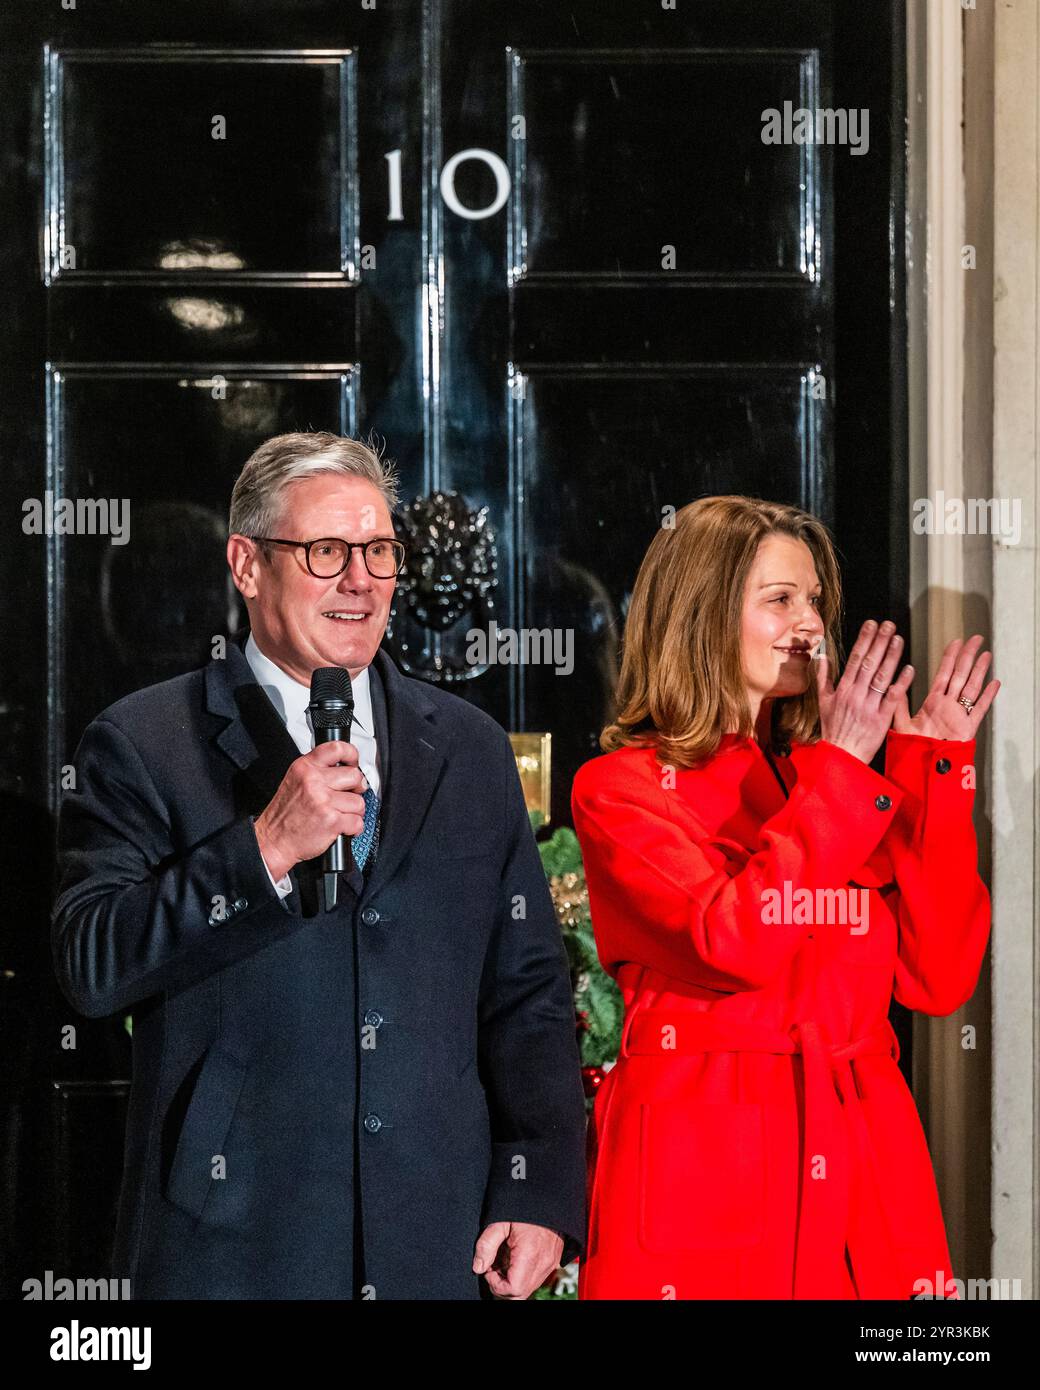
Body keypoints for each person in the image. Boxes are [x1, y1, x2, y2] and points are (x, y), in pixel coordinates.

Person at [51, 431, 587, 1300]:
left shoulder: (468, 748)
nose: (362, 579)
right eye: (327, 551)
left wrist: (536, 1189)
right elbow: (93, 964)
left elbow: (526, 990)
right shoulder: (144, 743)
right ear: (247, 563)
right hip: (235, 1240)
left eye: (378, 550)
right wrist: (261, 852)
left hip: (434, 1237)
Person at [571, 495, 998, 1300]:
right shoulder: (622, 790)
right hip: (710, 1169)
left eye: (814, 602)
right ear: (701, 614)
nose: (809, 623)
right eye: (779, 599)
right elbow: (733, 940)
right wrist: (844, 772)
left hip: (865, 1162)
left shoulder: (830, 775)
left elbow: (938, 979)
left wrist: (929, 770)